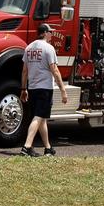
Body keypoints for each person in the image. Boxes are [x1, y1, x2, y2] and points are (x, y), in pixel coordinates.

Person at [20, 23, 68, 157]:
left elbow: (24, 71)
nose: (52, 34)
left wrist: (23, 88)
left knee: (42, 118)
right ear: (44, 33)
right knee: (39, 116)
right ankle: (27, 146)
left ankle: (48, 148)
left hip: (33, 88)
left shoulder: (28, 48)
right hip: (45, 89)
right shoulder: (49, 48)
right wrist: (63, 90)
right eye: (50, 32)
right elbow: (55, 70)